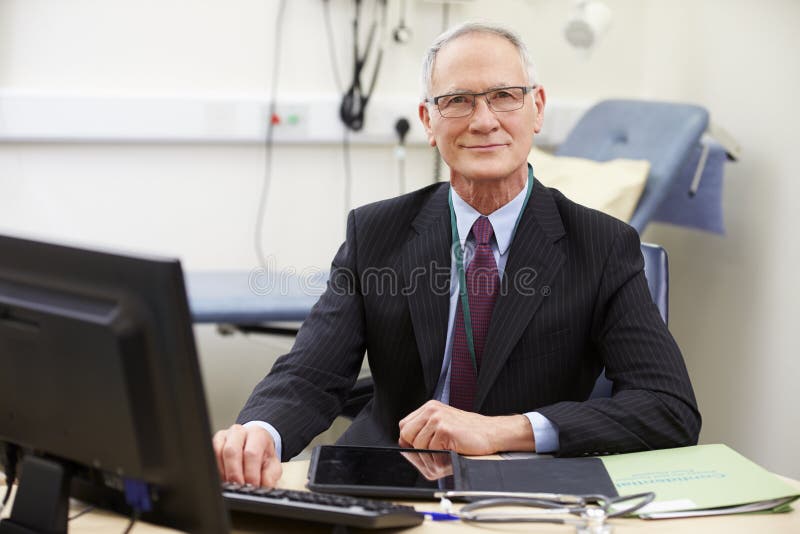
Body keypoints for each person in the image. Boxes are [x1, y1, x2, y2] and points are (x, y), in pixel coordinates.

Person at [213, 22, 701, 488]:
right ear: (429, 121)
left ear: (538, 108)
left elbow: (668, 406)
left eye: (505, 96)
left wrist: (504, 430)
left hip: (523, 491)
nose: (484, 120)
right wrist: (263, 432)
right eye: (457, 101)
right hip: (385, 477)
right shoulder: (376, 233)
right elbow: (311, 371)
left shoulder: (601, 246)